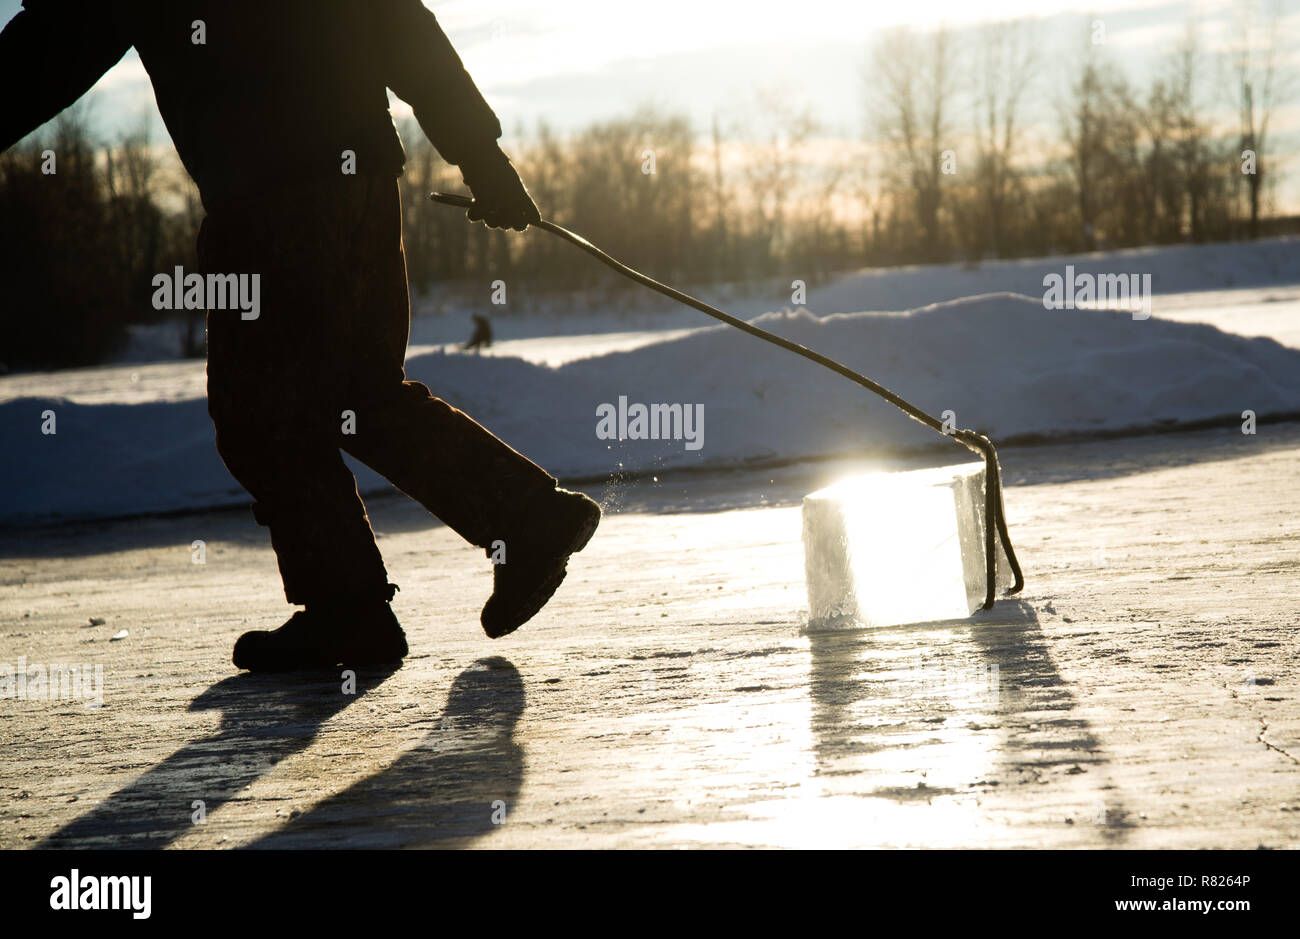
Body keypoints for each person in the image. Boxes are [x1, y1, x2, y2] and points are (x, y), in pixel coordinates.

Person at [0, 1, 601, 671]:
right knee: (361, 393)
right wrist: (479, 154)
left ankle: (350, 612)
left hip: (269, 193)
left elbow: (59, 39)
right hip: (360, 179)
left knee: (266, 416)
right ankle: (523, 522)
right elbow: (396, 20)